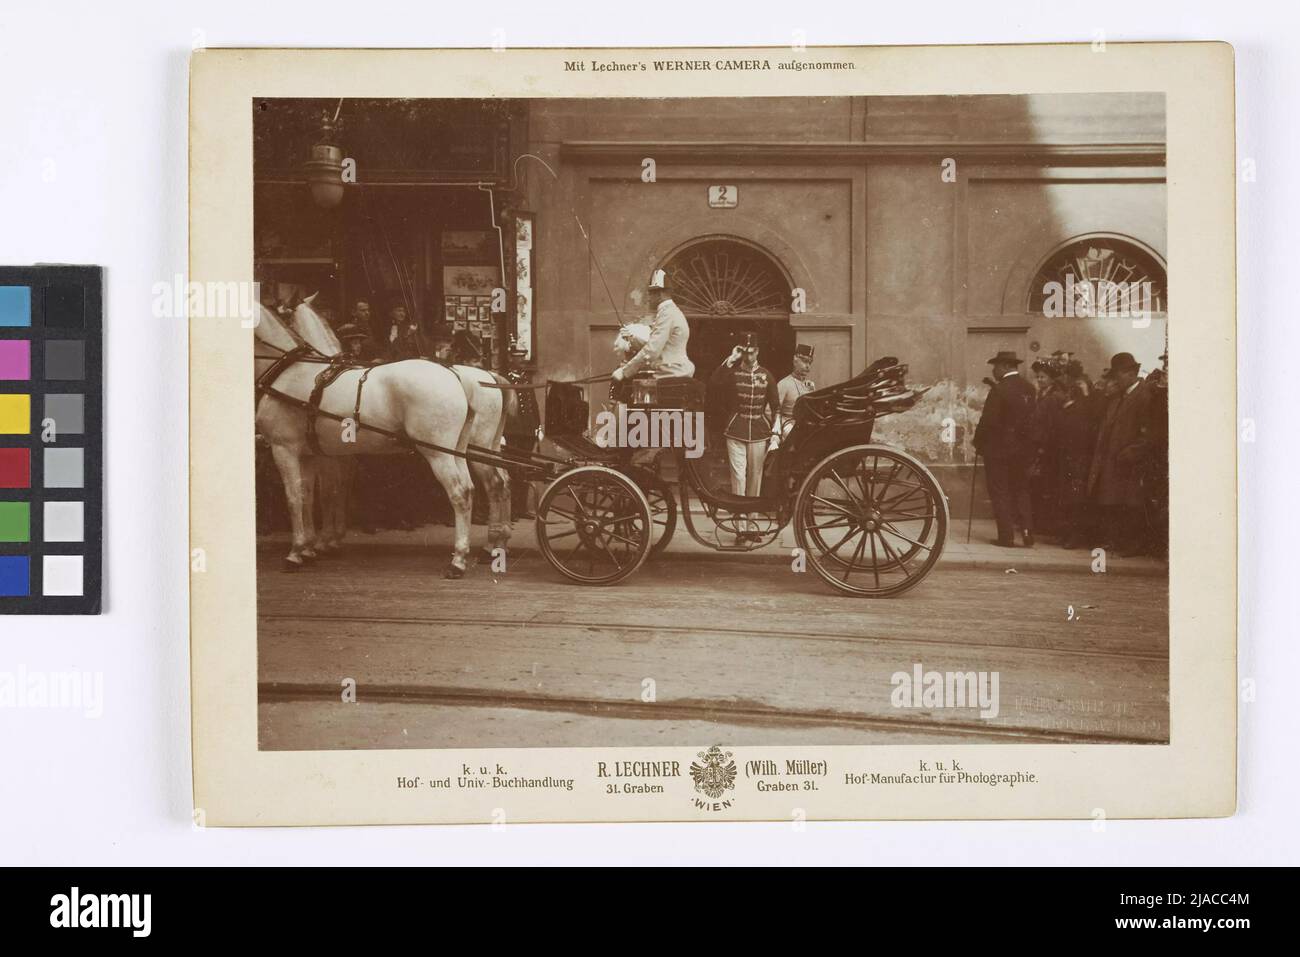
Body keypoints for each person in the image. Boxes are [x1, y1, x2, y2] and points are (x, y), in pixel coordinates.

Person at [710, 333, 781, 532]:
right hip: (735, 430)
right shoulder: (731, 372)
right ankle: (741, 528)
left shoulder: (766, 375)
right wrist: (731, 359)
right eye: (745, 352)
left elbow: (776, 407)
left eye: (752, 352)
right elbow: (714, 383)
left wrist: (775, 433)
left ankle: (751, 525)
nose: (748, 357)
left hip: (759, 431)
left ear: (757, 351)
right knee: (738, 478)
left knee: (755, 478)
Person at [1087, 352, 1153, 556]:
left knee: (1130, 504)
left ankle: (1130, 545)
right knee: (1113, 503)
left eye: (1118, 375)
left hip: (1129, 463)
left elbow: (1149, 433)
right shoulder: (1117, 397)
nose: (1115, 379)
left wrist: (1130, 453)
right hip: (1111, 461)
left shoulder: (1145, 396)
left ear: (1131, 373)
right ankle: (1116, 542)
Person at [973, 351, 1036, 547]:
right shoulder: (1029, 388)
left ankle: (1006, 537)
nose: (994, 370)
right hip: (1023, 450)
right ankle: (1027, 533)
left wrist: (978, 442)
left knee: (1000, 492)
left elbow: (988, 421)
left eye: (996, 366)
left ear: (1006, 366)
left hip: (998, 450)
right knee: (1021, 490)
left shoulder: (999, 390)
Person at [610, 269, 695, 384]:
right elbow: (657, 344)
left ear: (659, 294)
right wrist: (631, 338)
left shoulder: (667, 314)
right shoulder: (670, 312)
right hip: (672, 372)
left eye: (650, 293)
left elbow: (653, 349)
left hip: (671, 373)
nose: (648, 298)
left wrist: (625, 371)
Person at [776, 343, 816, 440]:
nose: (808, 366)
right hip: (788, 427)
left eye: (810, 363)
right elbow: (772, 411)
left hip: (805, 427)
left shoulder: (809, 385)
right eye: (805, 362)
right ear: (795, 361)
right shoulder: (784, 384)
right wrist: (780, 429)